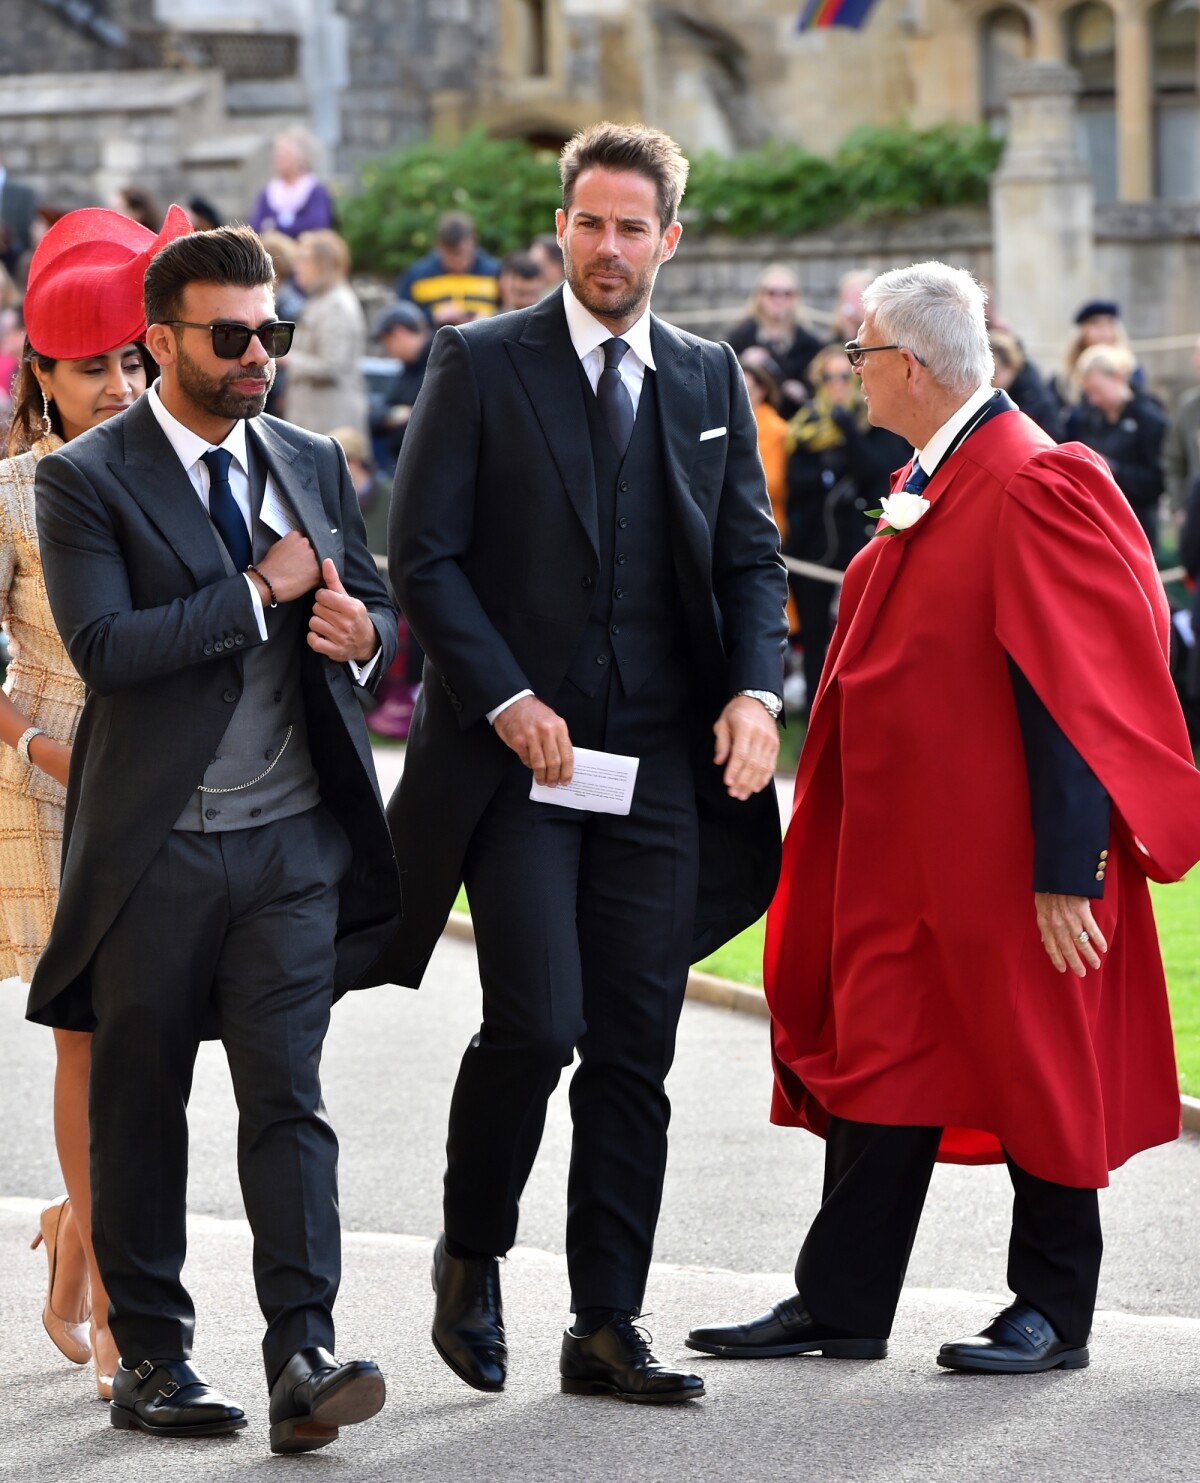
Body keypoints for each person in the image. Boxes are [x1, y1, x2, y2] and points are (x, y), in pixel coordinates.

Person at [687, 261, 1200, 1376]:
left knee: (1040, 1067)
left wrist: (1070, 865)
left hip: (1014, 862)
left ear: (908, 366)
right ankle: (841, 1301)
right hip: (909, 860)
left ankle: (1053, 1310)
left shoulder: (1032, 480)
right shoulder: (939, 471)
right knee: (884, 1059)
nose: (849, 369)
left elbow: (1081, 685)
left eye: (860, 353)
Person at [380, 121, 788, 1405]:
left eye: (633, 227)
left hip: (662, 769)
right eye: (589, 223)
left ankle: (607, 1318)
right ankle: (472, 1251)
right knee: (537, 1023)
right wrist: (502, 698)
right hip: (521, 773)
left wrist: (754, 691)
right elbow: (424, 558)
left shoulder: (711, 376)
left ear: (671, 239)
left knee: (635, 1049)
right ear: (561, 229)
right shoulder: (480, 360)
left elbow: (751, 560)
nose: (608, 248)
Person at [29, 223, 400, 1452]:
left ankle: (304, 1349)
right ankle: (154, 1359)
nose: (259, 357)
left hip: (292, 845)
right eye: (232, 336)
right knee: (143, 1103)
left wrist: (364, 634)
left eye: (273, 333)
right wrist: (257, 590)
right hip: (155, 851)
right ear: (160, 341)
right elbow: (106, 650)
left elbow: (367, 596)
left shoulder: (304, 455)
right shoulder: (87, 478)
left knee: (288, 1098)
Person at [2, 204, 191, 1402]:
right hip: (55, 773)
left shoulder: (193, 470)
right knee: (88, 1034)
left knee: (160, 1040)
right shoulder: (14, 492)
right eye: (92, 367)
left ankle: (82, 1213)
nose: (119, 385)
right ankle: (124, 1301)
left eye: (133, 358)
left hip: (175, 775)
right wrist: (29, 736)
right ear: (43, 375)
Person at [784, 342, 907, 708]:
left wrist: (846, 434)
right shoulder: (805, 426)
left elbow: (876, 469)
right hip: (812, 547)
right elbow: (796, 479)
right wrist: (827, 472)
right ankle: (812, 713)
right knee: (815, 631)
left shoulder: (869, 419)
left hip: (856, 541)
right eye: (828, 377)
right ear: (817, 381)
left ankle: (853, 711)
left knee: (858, 634)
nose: (837, 384)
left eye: (843, 376)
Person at [1064, 342, 1167, 554]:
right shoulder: (1089, 418)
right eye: (1088, 392)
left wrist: (1112, 468)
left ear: (1118, 378)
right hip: (1095, 525)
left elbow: (1157, 482)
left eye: (1097, 391)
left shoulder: (1150, 419)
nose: (1093, 399)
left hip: (1136, 527)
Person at [283, 228, 370, 440]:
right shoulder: (321, 299)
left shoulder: (337, 305)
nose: (297, 268)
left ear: (324, 264)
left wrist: (287, 359)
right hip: (316, 421)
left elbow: (333, 366)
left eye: (304, 260)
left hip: (331, 423)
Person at [726, 264, 822, 415]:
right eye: (772, 293)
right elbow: (723, 379)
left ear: (795, 298)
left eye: (787, 293)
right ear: (759, 297)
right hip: (754, 422)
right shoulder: (740, 338)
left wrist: (805, 391)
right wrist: (743, 362)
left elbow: (821, 385)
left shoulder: (809, 343)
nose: (779, 299)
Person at [396, 210, 500, 325]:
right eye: (451, 255)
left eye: (463, 254)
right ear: (438, 245)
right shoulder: (416, 276)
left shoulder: (496, 272)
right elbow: (401, 319)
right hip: (435, 341)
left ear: (474, 240)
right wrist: (433, 316)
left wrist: (490, 318)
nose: (458, 261)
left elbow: (513, 310)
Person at [368, 300, 432, 470]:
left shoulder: (439, 360)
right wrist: (395, 415)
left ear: (399, 333)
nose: (388, 350)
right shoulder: (410, 367)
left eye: (387, 342)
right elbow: (377, 417)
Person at [248, 126, 336, 239]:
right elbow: (254, 228)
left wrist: (274, 226)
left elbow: (318, 226)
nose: (277, 159)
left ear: (301, 158)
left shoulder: (314, 191)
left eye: (284, 155)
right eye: (277, 155)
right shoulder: (268, 192)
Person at [1162, 335, 1200, 535]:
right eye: (1196, 353)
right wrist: (1178, 508)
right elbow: (1173, 462)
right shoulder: (1188, 407)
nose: (1196, 360)